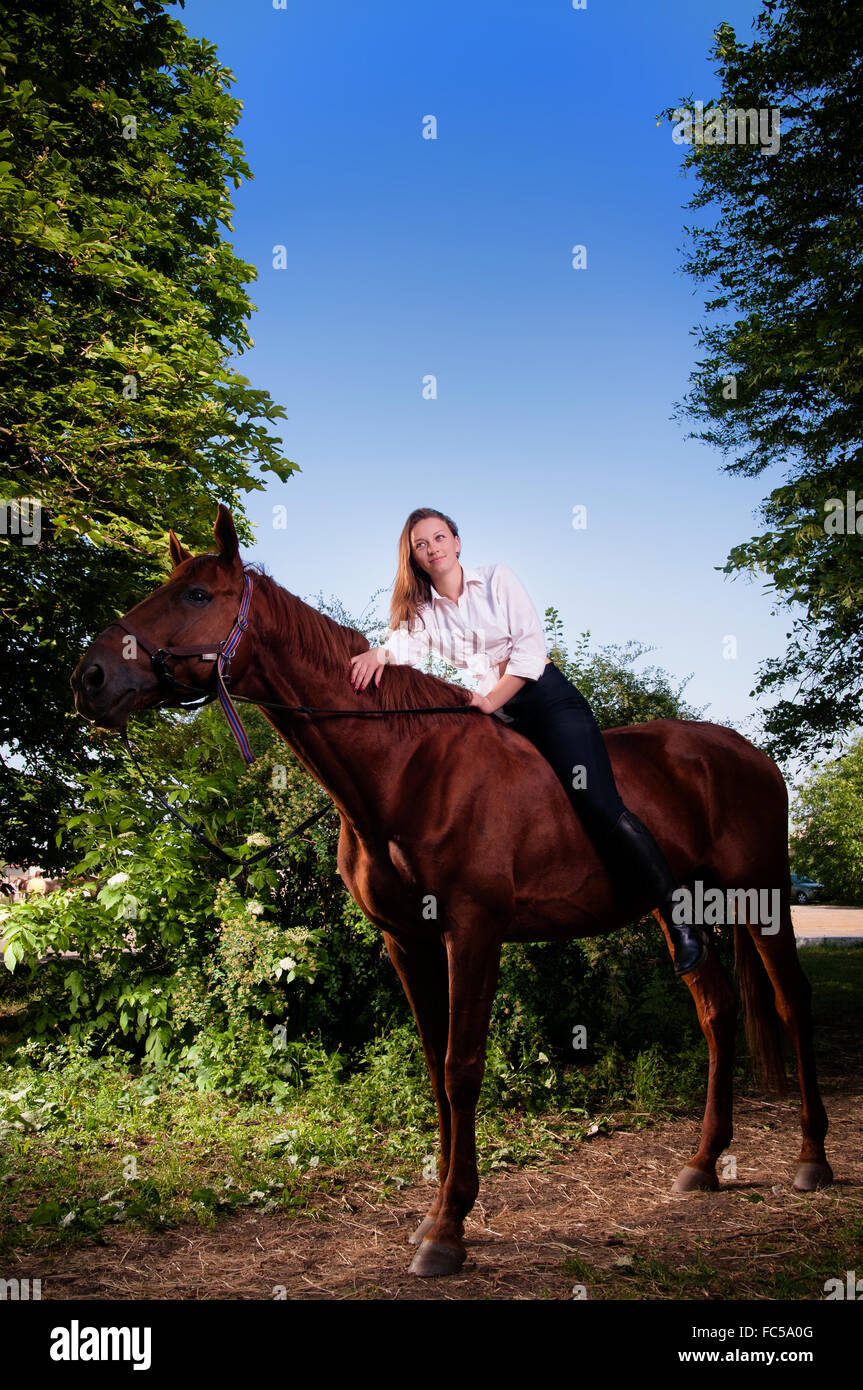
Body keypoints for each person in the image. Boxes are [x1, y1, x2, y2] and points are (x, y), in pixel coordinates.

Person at [348, 508, 707, 976]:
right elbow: (405, 649)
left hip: (545, 700)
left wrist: (490, 700)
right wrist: (378, 652)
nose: (433, 547)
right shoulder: (421, 613)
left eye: (440, 537)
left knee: (596, 801)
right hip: (492, 714)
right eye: (421, 544)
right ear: (413, 558)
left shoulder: (498, 579)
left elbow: (530, 653)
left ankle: (681, 920)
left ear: (457, 542)